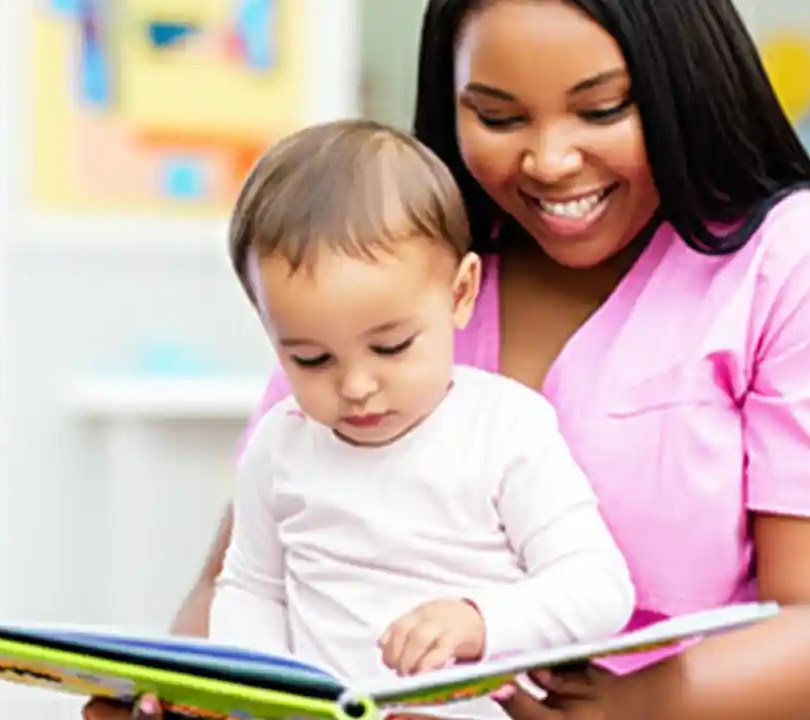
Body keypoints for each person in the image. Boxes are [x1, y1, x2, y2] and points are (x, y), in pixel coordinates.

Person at [84, 0, 810, 718]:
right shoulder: (390, 269)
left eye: (601, 109)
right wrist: (188, 691)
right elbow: (245, 573)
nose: (549, 161)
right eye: (497, 115)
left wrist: (635, 709)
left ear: (683, 86)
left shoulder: (796, 266)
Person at [207, 119, 634, 720]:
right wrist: (255, 698)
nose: (356, 387)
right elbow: (252, 588)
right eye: (310, 358)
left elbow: (599, 588)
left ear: (460, 295)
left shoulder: (505, 428)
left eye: (391, 347)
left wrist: (478, 621)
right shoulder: (281, 444)